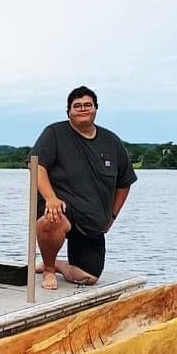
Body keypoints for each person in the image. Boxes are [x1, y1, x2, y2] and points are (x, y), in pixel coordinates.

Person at [29, 85, 137, 290]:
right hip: (61, 206)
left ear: (96, 109)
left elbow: (125, 182)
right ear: (68, 111)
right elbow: (37, 167)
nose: (82, 109)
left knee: (87, 277)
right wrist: (51, 198)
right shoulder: (54, 133)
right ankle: (49, 270)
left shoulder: (112, 142)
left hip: (92, 219)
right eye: (77, 106)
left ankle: (58, 265)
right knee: (52, 220)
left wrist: (112, 216)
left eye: (88, 105)